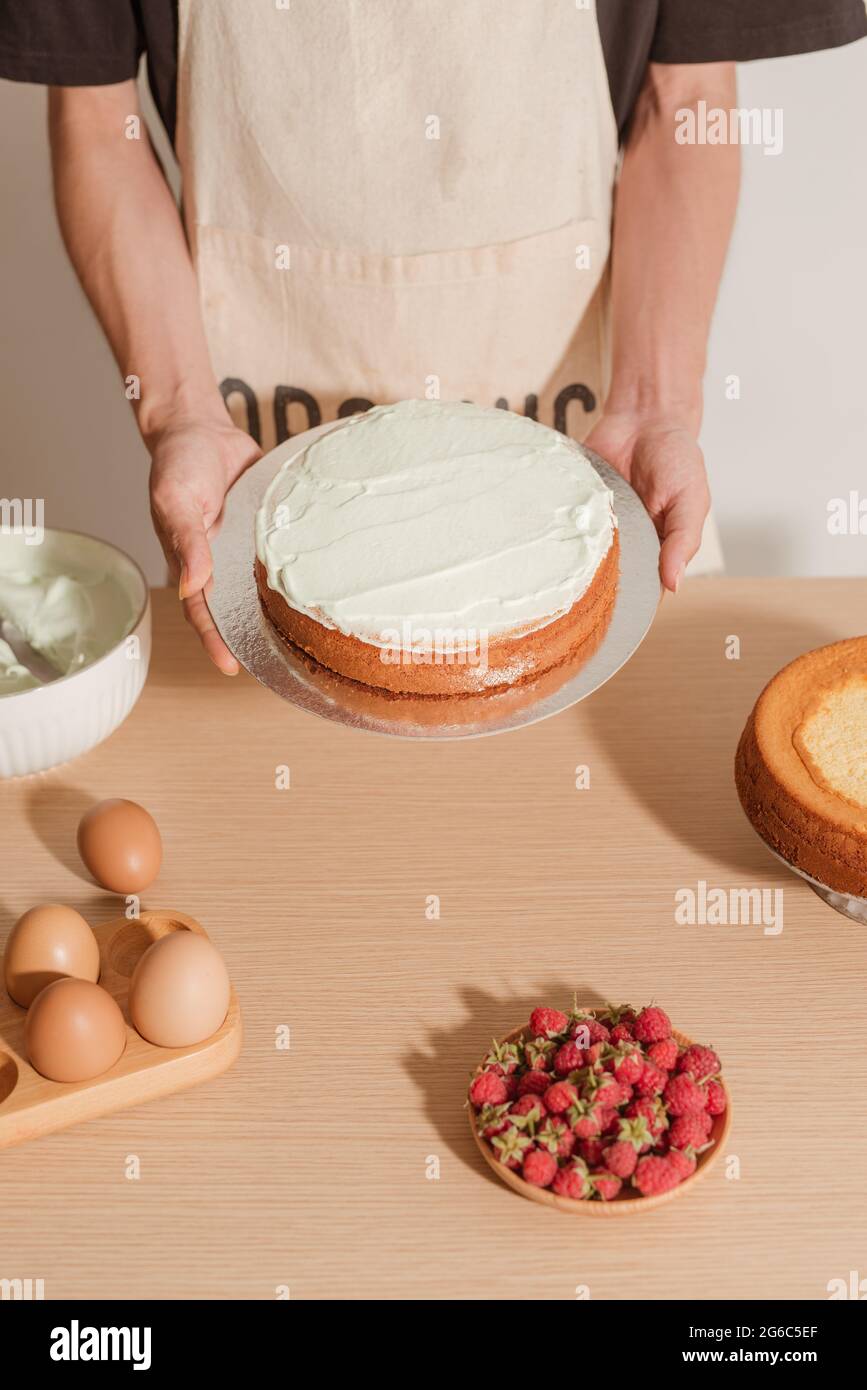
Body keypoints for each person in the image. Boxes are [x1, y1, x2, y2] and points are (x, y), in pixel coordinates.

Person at [1, 1, 864, 673]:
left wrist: (654, 405)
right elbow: (96, 119)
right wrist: (181, 416)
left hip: (593, 456)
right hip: (254, 482)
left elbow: (688, 100)